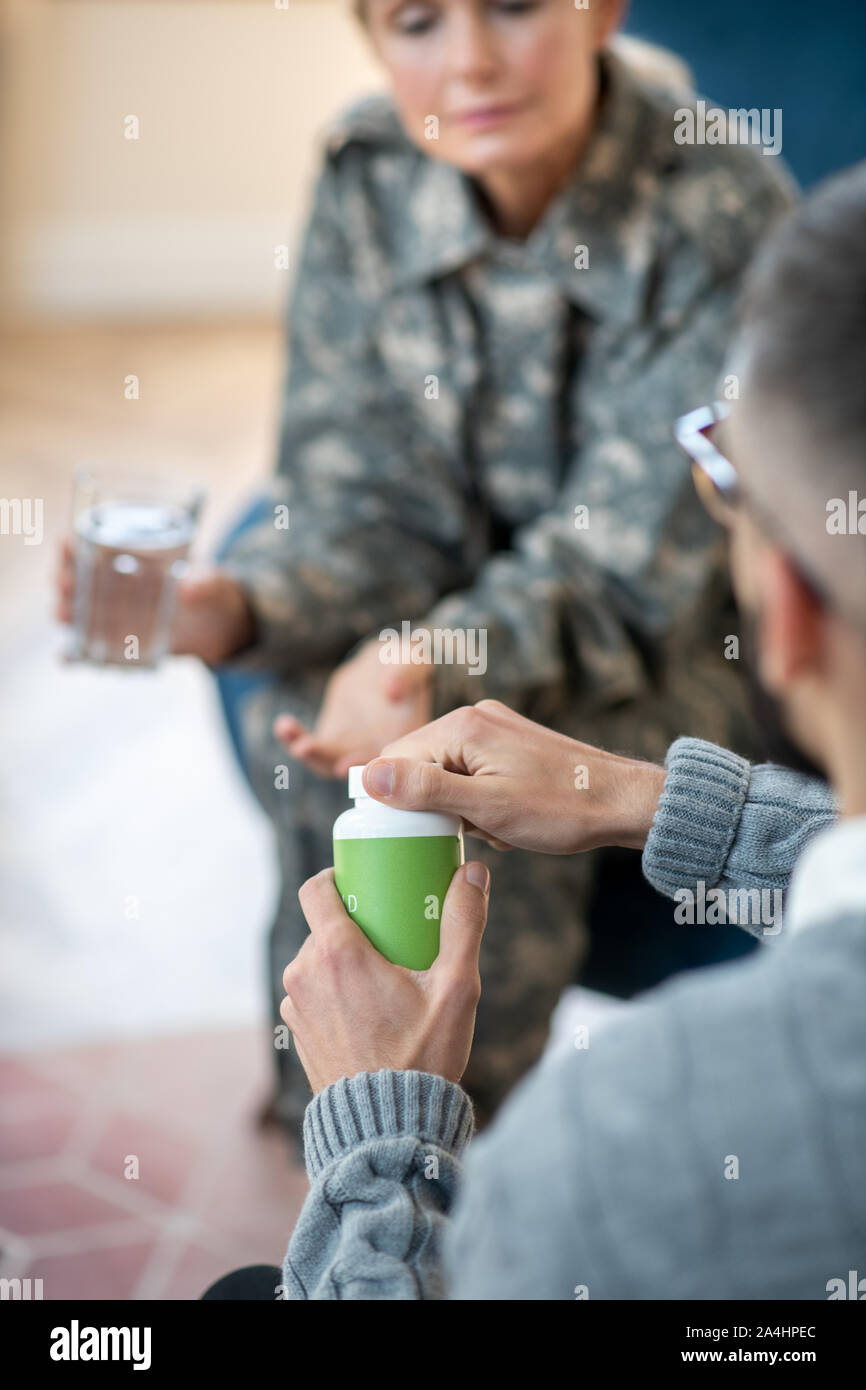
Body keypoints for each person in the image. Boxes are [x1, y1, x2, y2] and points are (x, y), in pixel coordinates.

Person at [57, 3, 795, 1136]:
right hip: (459, 593)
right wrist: (236, 603)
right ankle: (332, 1120)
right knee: (338, 727)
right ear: (370, 41)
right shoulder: (367, 172)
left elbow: (626, 573)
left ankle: (437, 1159)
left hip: (676, 645)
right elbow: (358, 489)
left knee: (458, 773)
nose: (470, 60)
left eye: (512, 5)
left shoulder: (721, 202)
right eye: (414, 21)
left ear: (597, 9)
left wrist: (423, 663)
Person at [273, 162, 866, 1298]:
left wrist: (374, 1145)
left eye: (721, 468)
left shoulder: (625, 1145)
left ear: (782, 613)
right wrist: (643, 799)